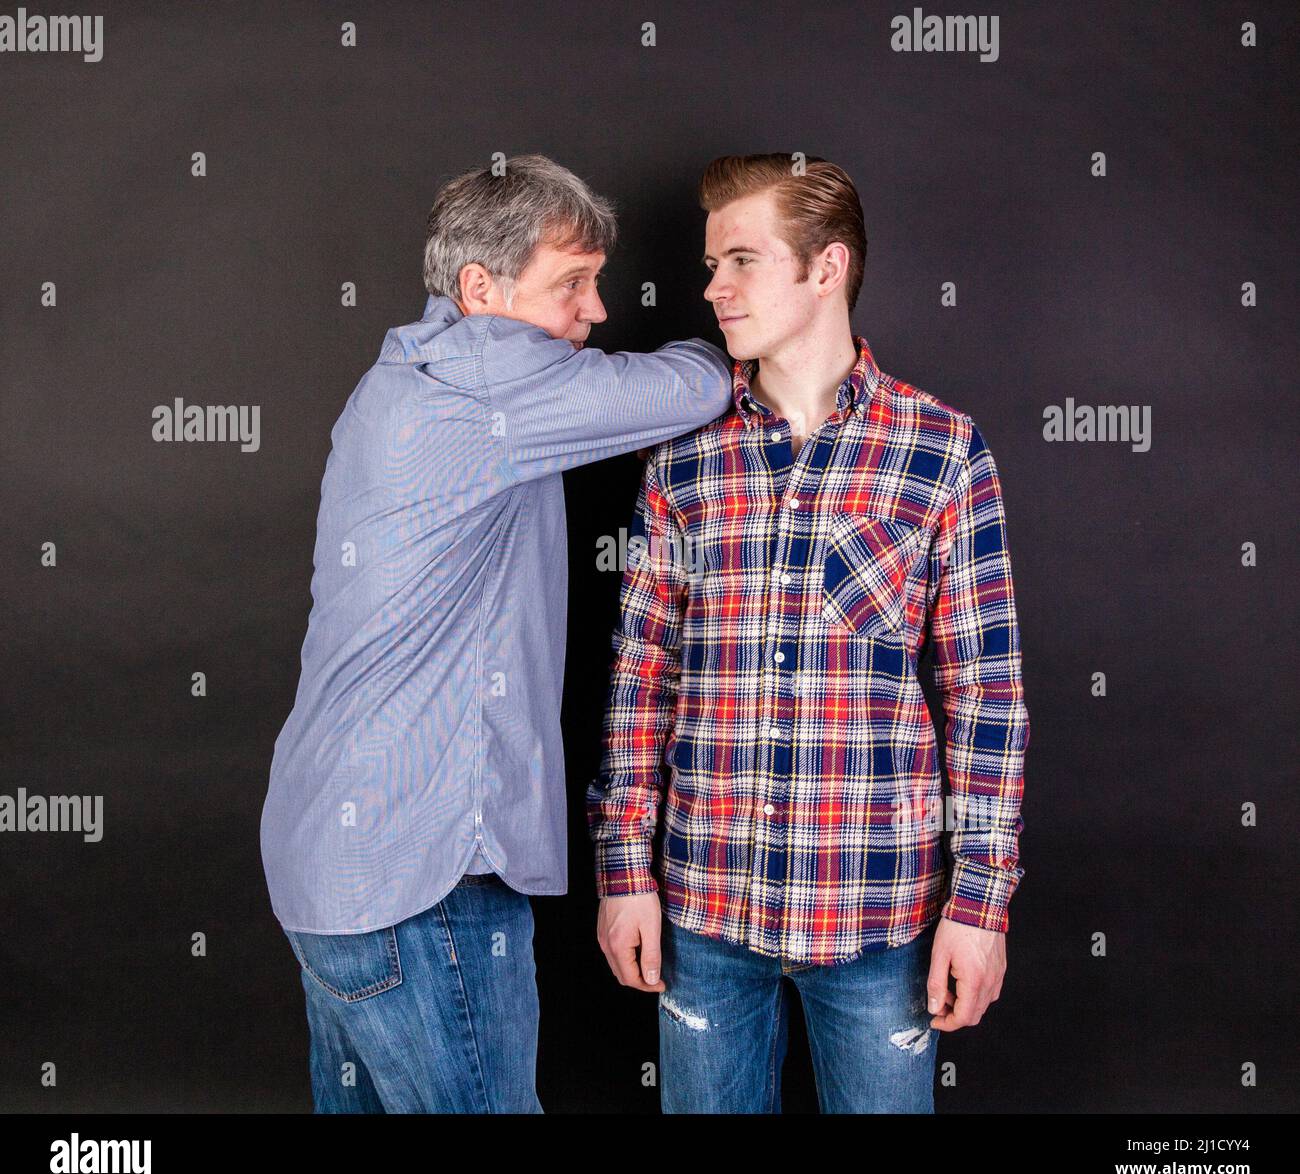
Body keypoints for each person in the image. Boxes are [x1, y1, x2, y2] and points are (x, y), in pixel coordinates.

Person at [260, 153, 734, 1113]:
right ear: (480, 289)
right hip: (422, 878)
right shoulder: (488, 380)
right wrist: (737, 349)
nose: (595, 313)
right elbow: (693, 388)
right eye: (571, 284)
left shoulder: (400, 377)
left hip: (331, 870)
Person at [587, 153, 1030, 1113]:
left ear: (826, 269)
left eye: (742, 259)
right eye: (711, 264)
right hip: (704, 916)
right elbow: (641, 680)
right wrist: (624, 870)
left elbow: (986, 697)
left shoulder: (942, 449)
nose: (714, 288)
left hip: (880, 921)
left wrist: (981, 905)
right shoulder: (684, 462)